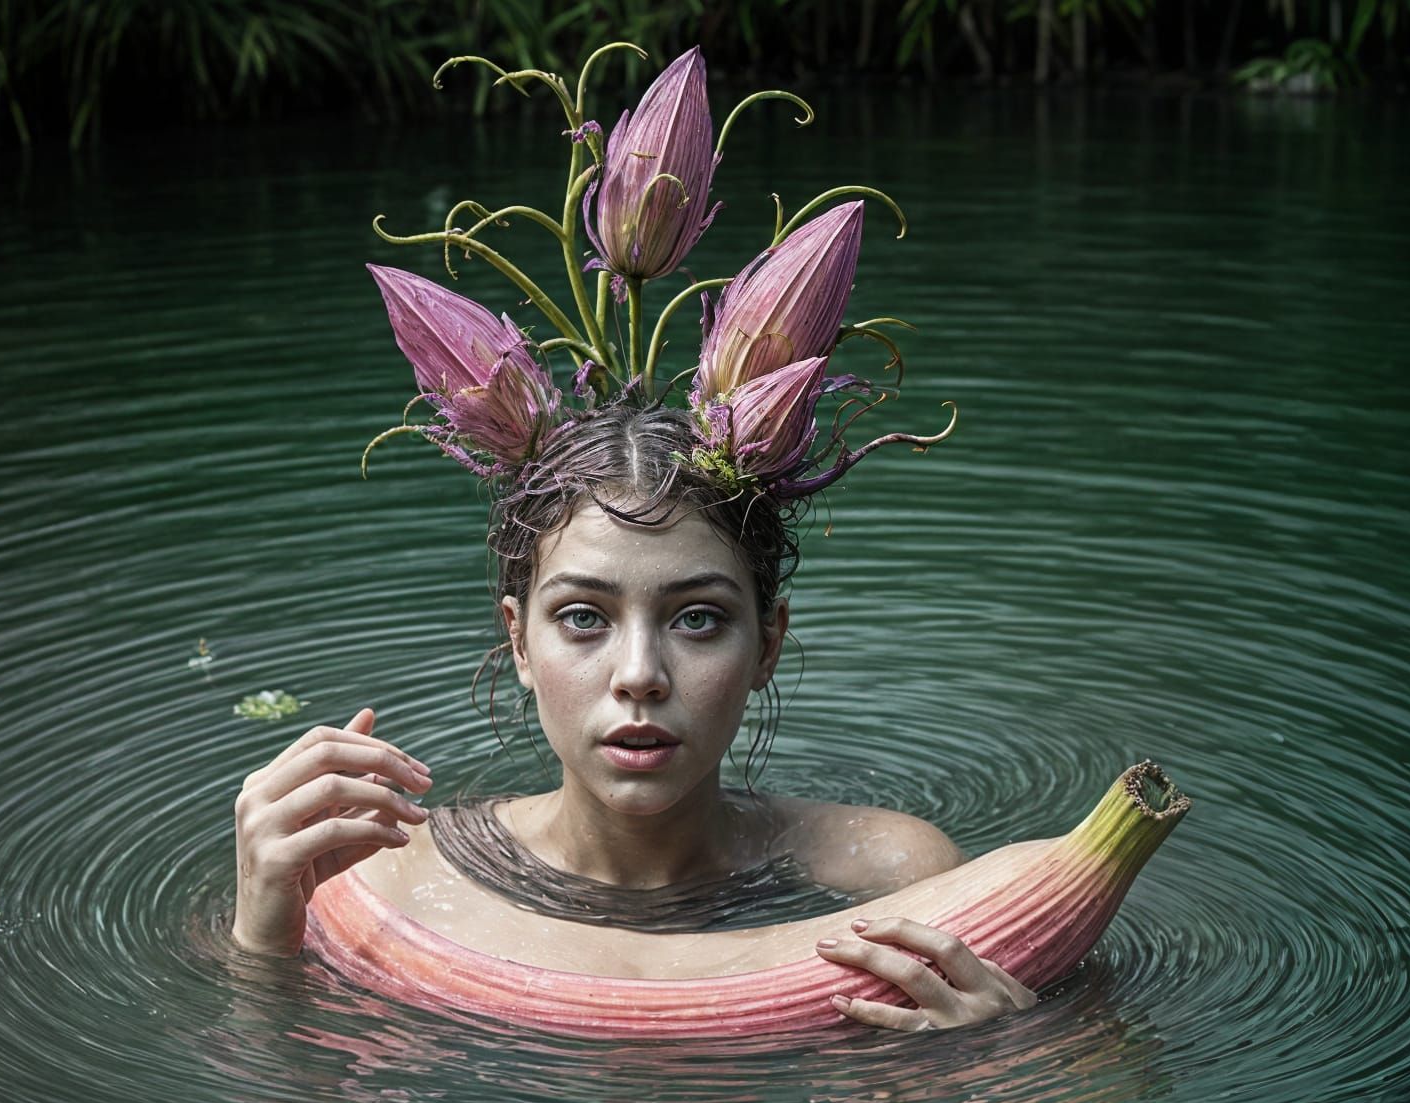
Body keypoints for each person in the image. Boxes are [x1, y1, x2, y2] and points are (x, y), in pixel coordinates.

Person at [231, 402, 1040, 1031]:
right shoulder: (382, 870)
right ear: (518, 641)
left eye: (698, 619)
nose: (640, 677)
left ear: (767, 645)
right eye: (584, 617)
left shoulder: (893, 877)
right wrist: (262, 941)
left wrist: (1004, 1048)